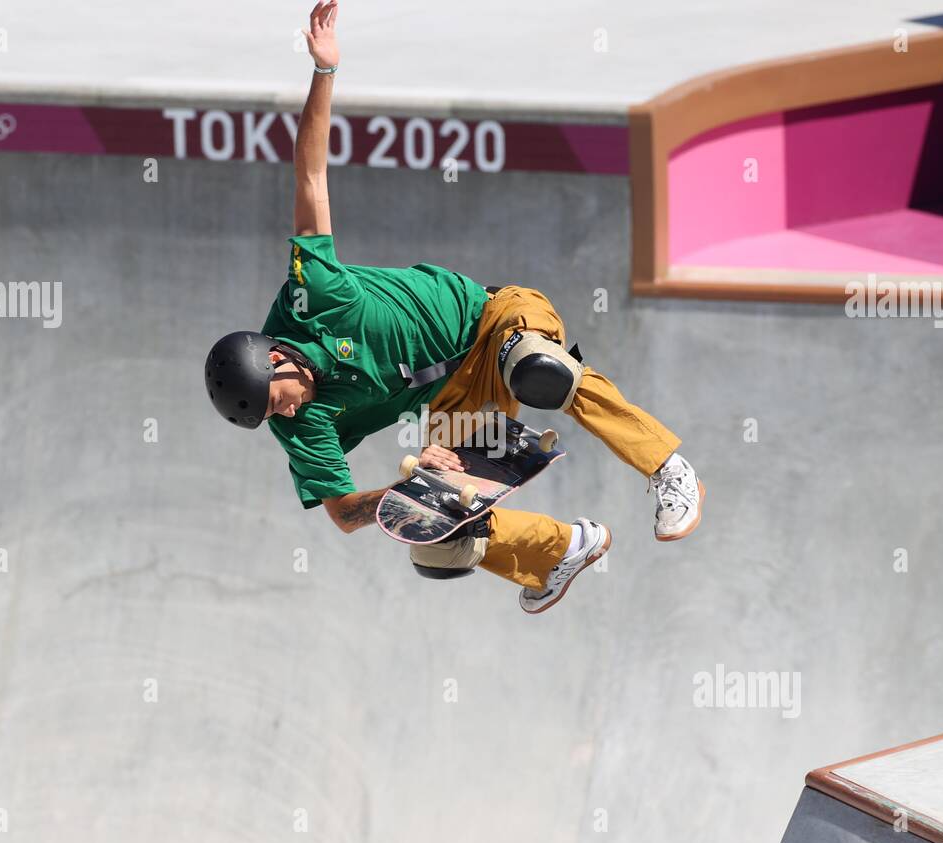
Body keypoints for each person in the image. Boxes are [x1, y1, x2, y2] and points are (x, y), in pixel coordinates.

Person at [205, 1, 703, 613]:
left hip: (495, 322)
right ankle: (563, 549)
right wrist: (408, 491)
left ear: (278, 357)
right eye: (274, 416)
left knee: (538, 371)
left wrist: (324, 72)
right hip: (454, 401)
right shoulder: (295, 425)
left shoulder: (313, 295)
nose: (289, 412)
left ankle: (667, 467)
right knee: (438, 538)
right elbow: (342, 512)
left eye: (280, 398)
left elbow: (309, 179)